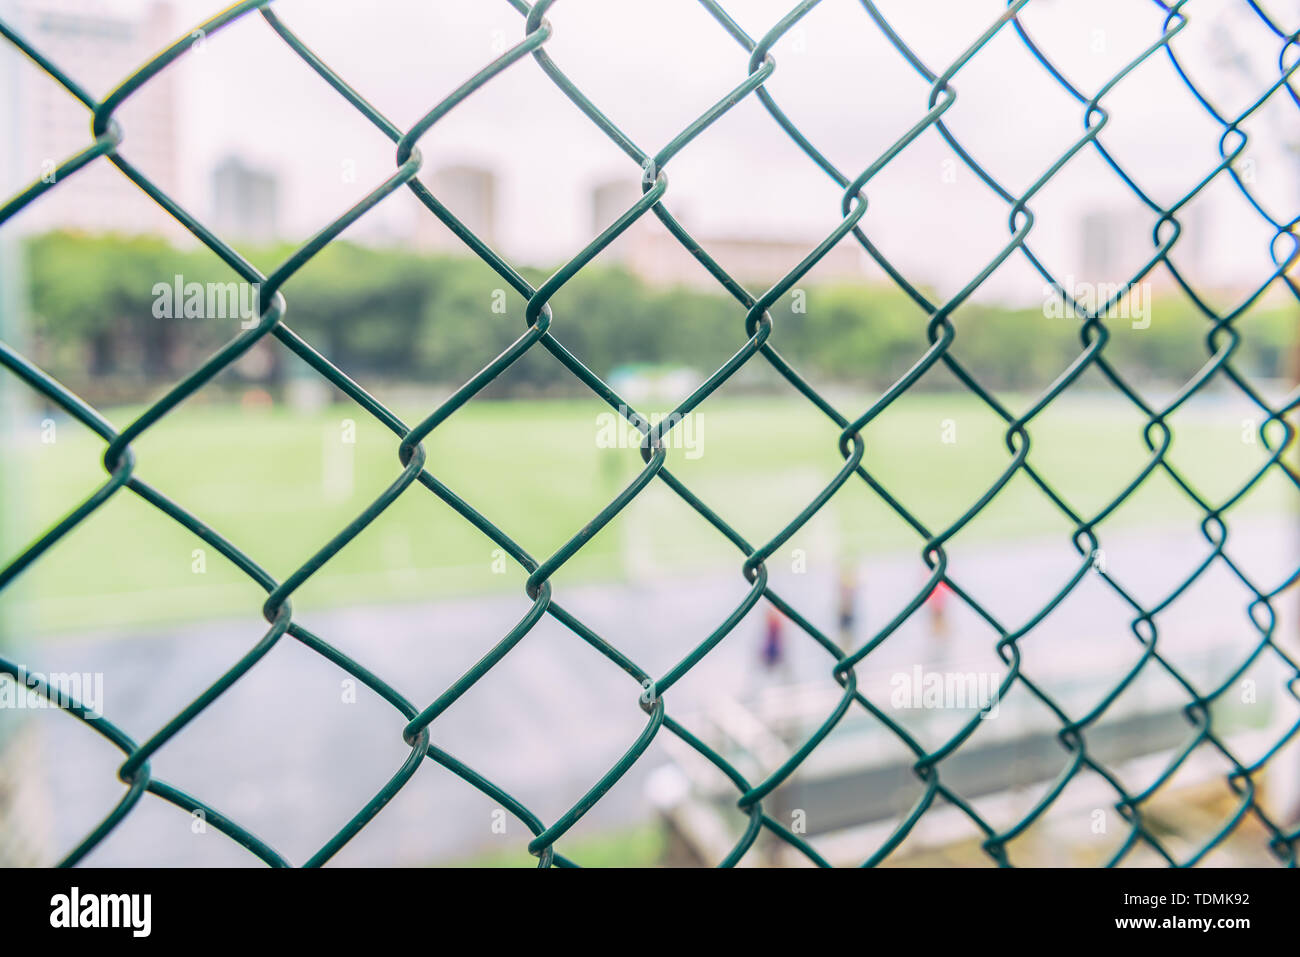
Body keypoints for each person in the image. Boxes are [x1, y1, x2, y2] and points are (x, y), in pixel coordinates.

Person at [836, 565, 857, 653]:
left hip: (846, 615)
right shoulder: (845, 585)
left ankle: (846, 650)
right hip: (845, 615)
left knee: (847, 637)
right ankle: (846, 650)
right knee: (845, 636)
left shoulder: (848, 585)